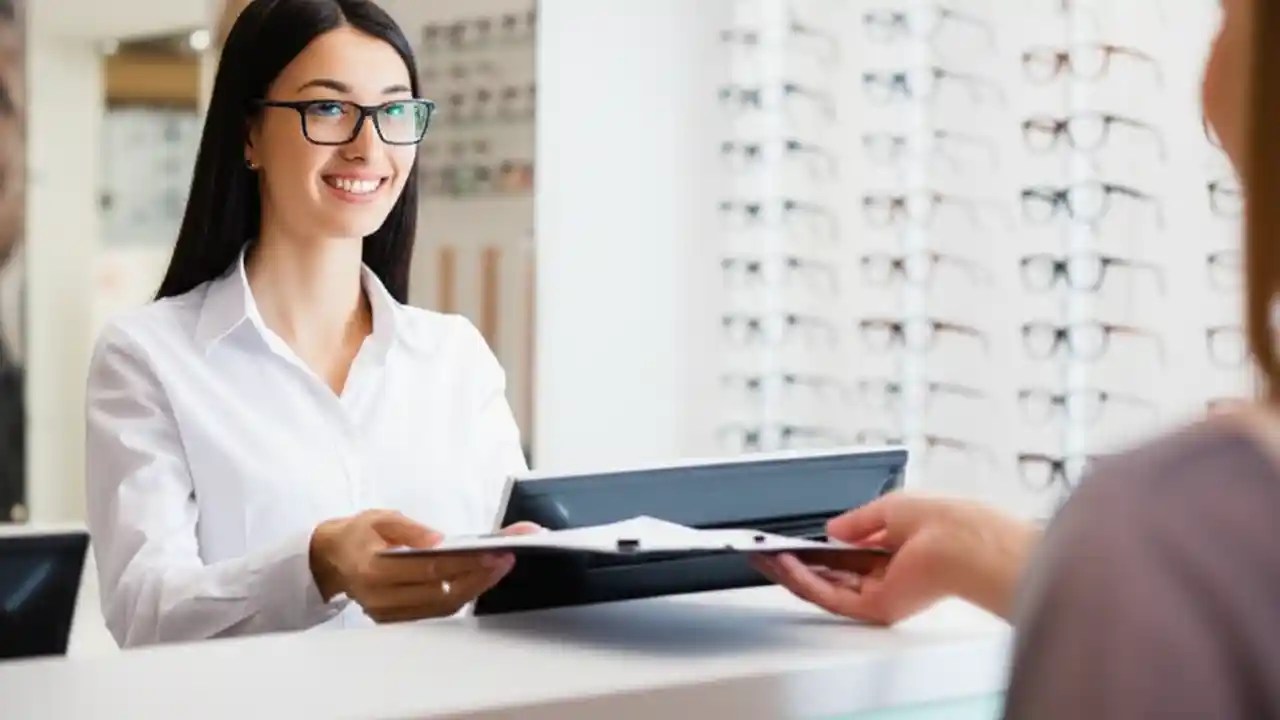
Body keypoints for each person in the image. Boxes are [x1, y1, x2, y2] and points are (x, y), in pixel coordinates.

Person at [756, 0, 1280, 716]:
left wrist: (1123, 561)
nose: (1207, 99)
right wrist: (981, 547)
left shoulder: (1162, 534)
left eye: (1230, 19)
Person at [85, 0, 532, 648]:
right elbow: (145, 610)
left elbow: (512, 572)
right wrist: (317, 565)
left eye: (394, 111)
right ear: (249, 134)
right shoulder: (148, 358)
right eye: (328, 108)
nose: (368, 146)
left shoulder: (454, 357)